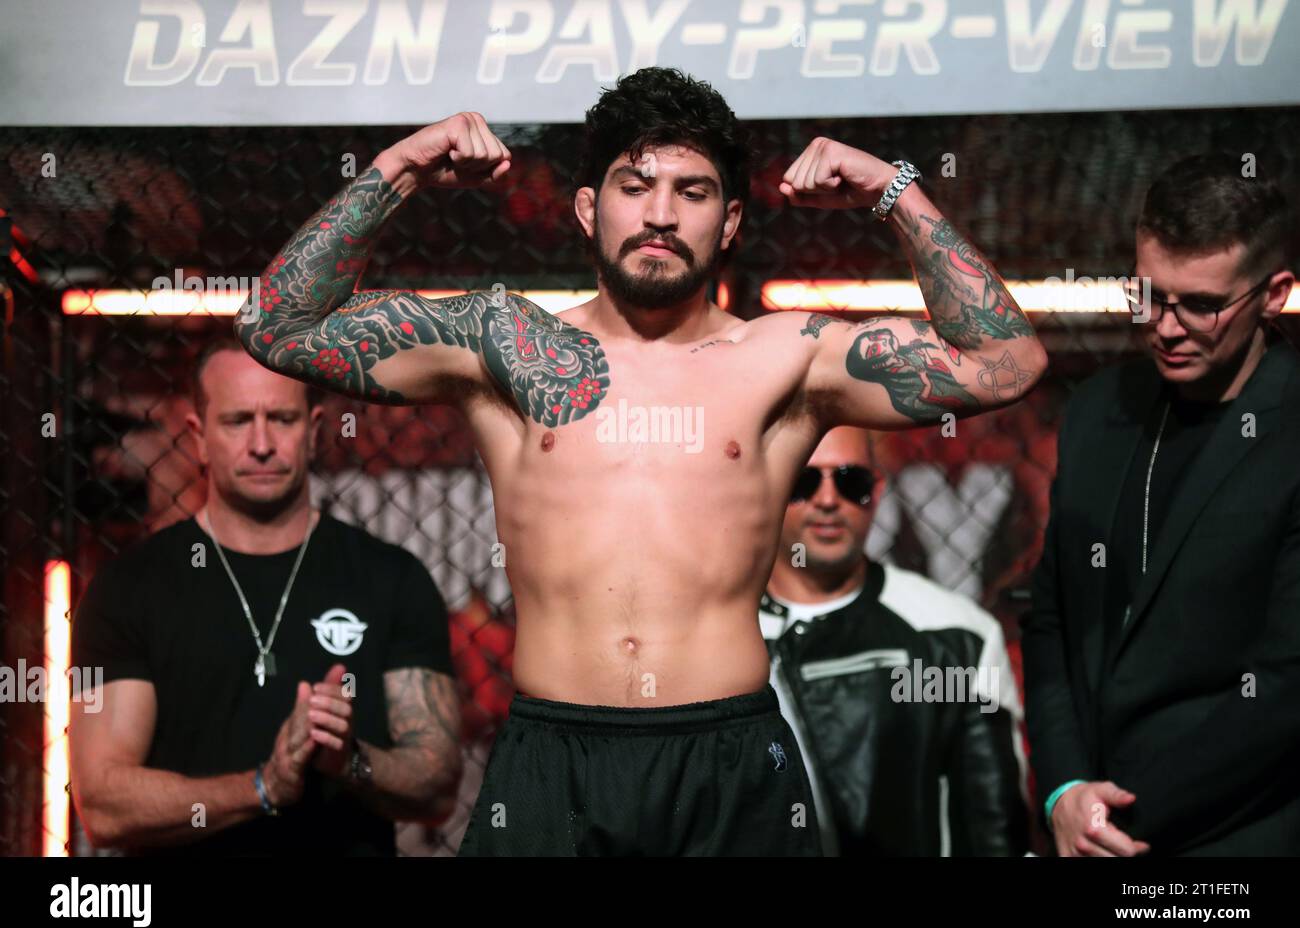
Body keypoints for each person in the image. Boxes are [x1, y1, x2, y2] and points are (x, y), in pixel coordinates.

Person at [237, 67, 1047, 856]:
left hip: (728, 757)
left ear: (728, 222)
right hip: (555, 757)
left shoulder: (788, 355)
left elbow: (1005, 358)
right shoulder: (504, 346)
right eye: (635, 185)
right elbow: (277, 324)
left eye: (692, 193)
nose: (660, 214)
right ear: (589, 209)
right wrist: (403, 166)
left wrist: (893, 191)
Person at [69, 337, 462, 855]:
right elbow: (103, 806)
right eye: (237, 421)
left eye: (281, 418)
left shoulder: (389, 577)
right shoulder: (128, 588)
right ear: (199, 436)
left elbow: (437, 788)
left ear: (315, 429)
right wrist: (264, 786)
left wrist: (348, 761)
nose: (261, 443)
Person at [1023, 153, 1299, 856]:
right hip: (1089, 823)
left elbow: (1285, 689)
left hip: (1241, 837)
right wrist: (1061, 791)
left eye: (1201, 304)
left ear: (1276, 293)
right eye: (1146, 295)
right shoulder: (1096, 412)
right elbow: (1053, 616)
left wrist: (1118, 822)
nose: (1166, 327)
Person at [762, 426, 1028, 856]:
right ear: (770, 485)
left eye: (852, 482)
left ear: (878, 490)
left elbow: (992, 830)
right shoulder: (715, 635)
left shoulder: (955, 634)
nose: (828, 500)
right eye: (804, 481)